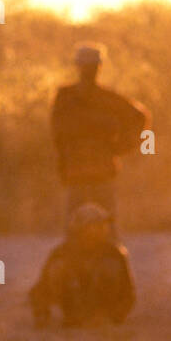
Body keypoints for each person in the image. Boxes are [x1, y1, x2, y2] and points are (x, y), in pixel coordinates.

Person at [51, 43, 147, 233]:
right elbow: (58, 135)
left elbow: (139, 117)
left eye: (91, 67)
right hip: (85, 171)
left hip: (89, 171)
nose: (89, 71)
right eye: (87, 67)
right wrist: (121, 147)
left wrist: (121, 147)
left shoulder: (96, 98)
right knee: (93, 227)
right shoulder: (69, 98)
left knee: (94, 228)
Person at [29, 202, 136, 327]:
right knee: (58, 267)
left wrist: (116, 316)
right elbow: (41, 289)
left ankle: (102, 314)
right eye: (96, 225)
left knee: (110, 266)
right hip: (72, 308)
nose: (103, 228)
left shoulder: (114, 253)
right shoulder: (62, 252)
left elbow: (128, 293)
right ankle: (75, 316)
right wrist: (41, 312)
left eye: (103, 224)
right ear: (80, 228)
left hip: (104, 315)